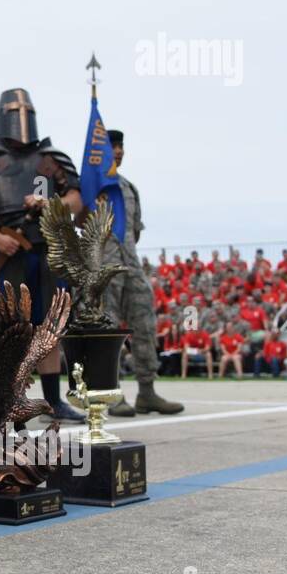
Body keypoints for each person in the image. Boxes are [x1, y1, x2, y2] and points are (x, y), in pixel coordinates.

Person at [0, 88, 84, 423]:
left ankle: (53, 401)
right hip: (4, 252)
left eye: (25, 110)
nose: (21, 117)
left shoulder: (50, 158)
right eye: (14, 111)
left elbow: (76, 198)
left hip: (46, 253)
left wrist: (51, 204)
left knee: (48, 328)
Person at [100, 129, 183, 415]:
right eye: (113, 146)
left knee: (145, 326)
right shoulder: (92, 185)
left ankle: (147, 391)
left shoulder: (129, 188)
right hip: (103, 268)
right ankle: (111, 394)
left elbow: (134, 232)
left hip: (131, 264)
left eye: (122, 146)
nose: (119, 151)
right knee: (108, 332)